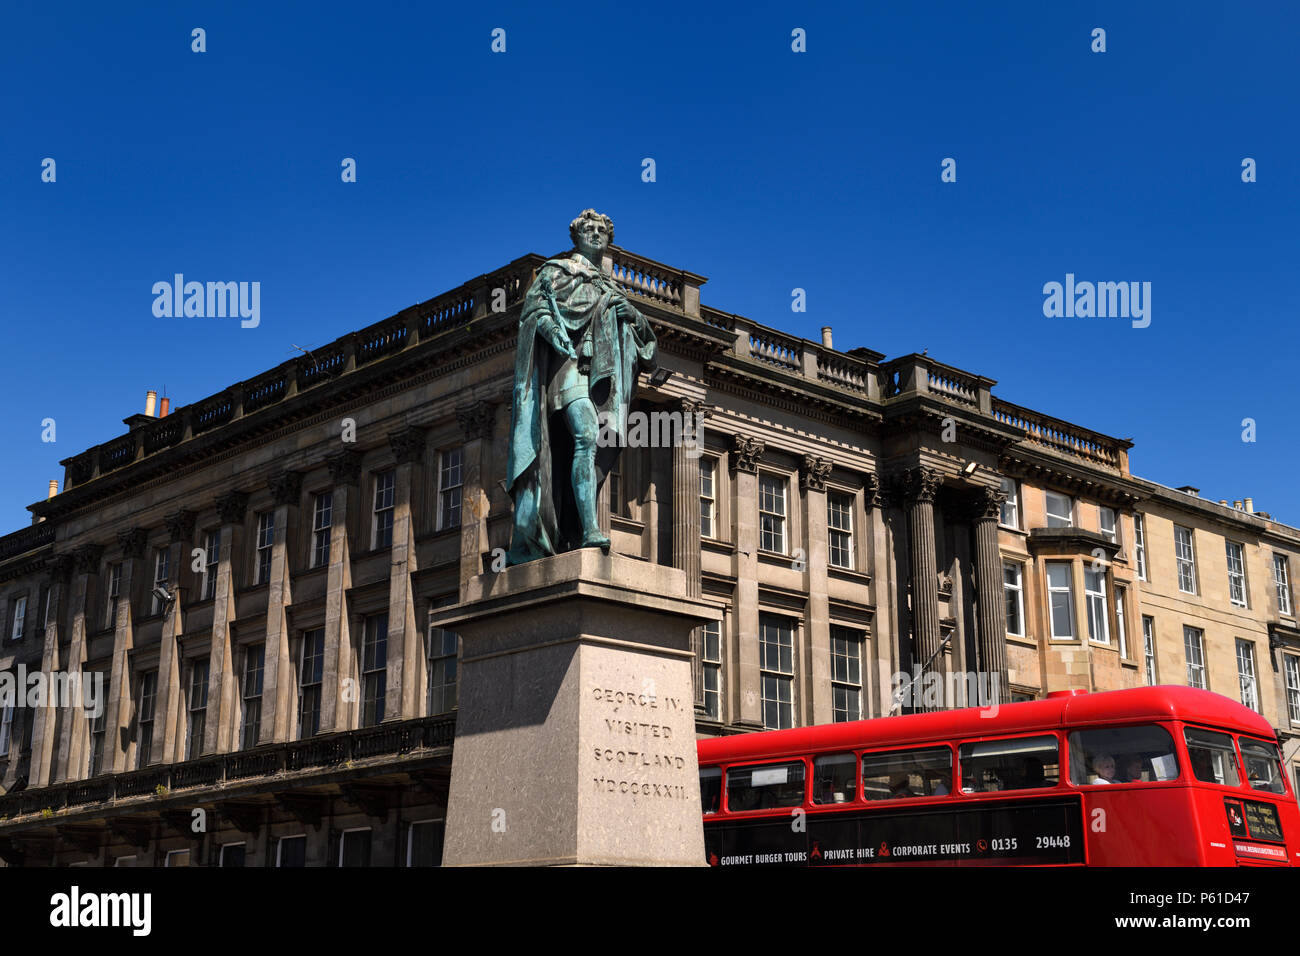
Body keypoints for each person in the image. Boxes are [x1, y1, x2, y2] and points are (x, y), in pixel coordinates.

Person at [505, 210, 659, 564]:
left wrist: (632, 315)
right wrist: (550, 330)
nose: (595, 233)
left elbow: (646, 348)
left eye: (601, 230)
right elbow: (533, 314)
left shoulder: (610, 288)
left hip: (599, 377)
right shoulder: (554, 273)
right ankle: (589, 527)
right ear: (575, 236)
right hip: (568, 367)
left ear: (609, 240)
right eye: (588, 228)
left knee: (587, 444)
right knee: (588, 437)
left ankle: (579, 529)